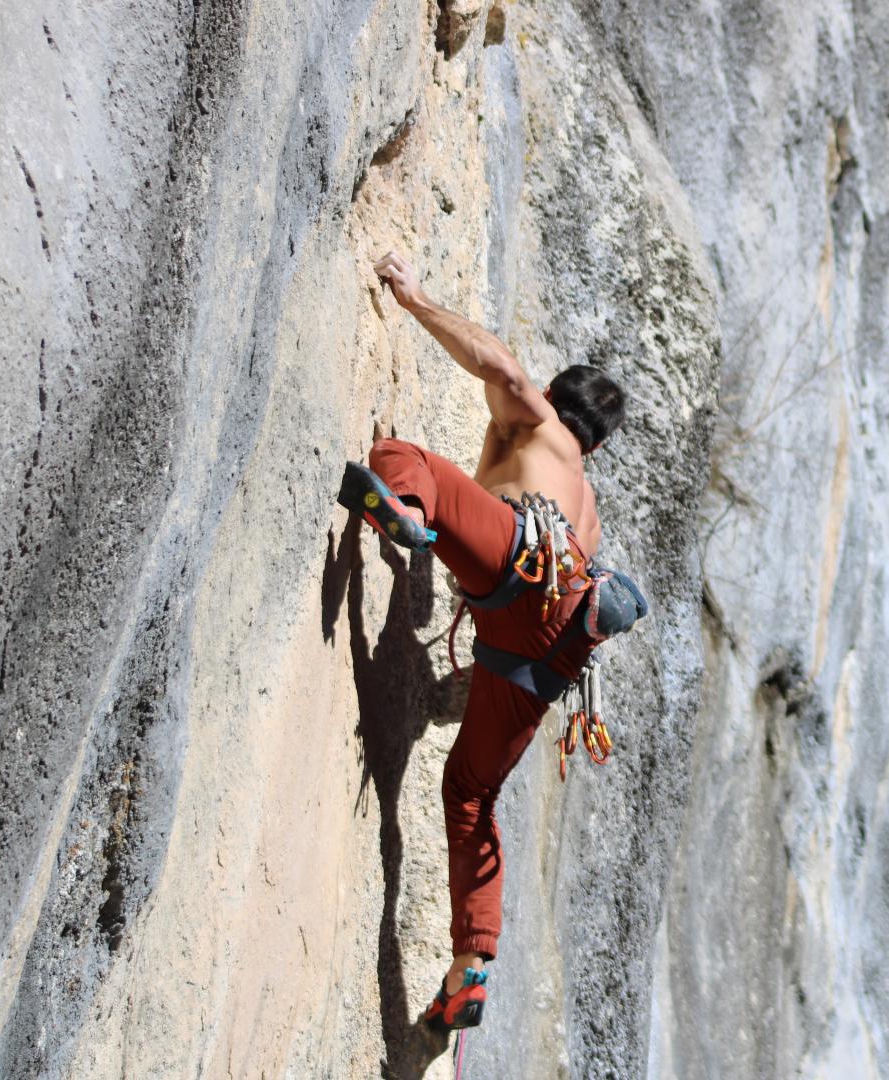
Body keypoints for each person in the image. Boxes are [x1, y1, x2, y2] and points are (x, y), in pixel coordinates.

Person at [341, 251, 627, 1032]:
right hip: (550, 643)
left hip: (515, 561)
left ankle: (402, 509)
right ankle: (471, 968)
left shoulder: (531, 422)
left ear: (552, 400)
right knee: (470, 795)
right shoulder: (589, 497)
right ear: (597, 446)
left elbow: (497, 361)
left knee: (413, 461)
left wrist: (415, 298)